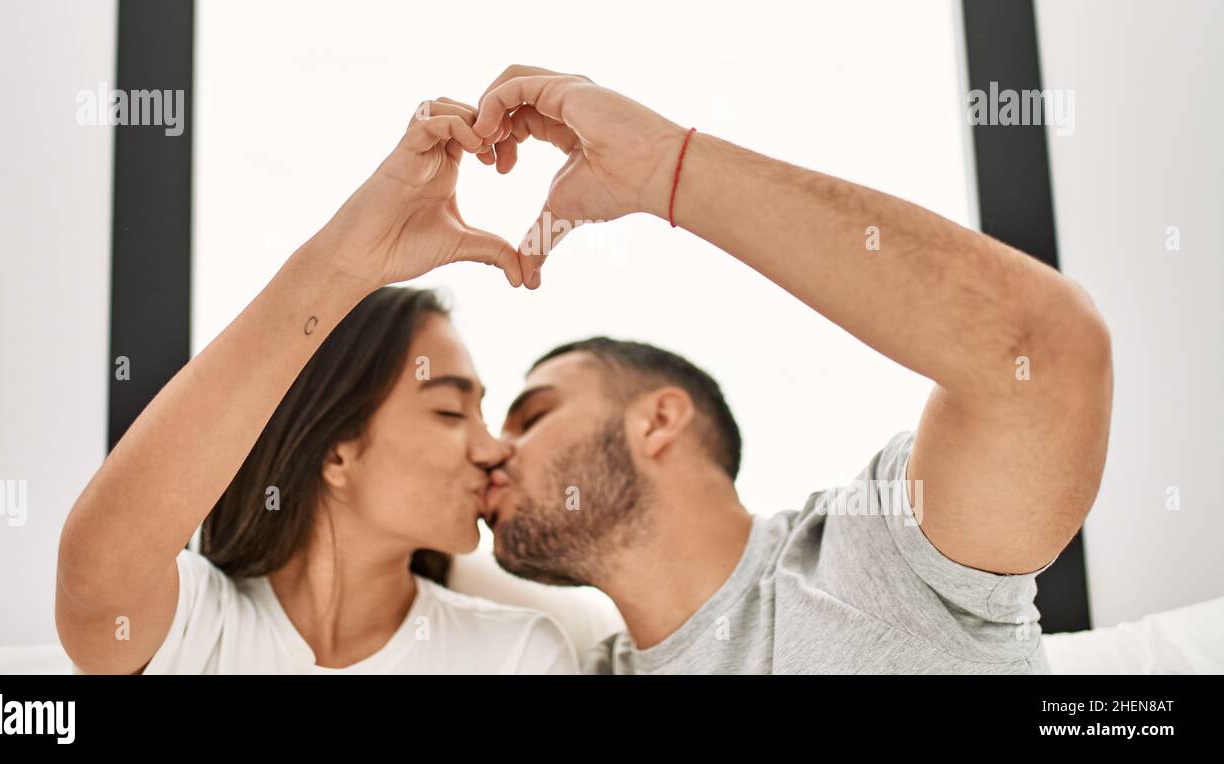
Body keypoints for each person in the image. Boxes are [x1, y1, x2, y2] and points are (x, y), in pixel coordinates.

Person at [470, 64, 1113, 674]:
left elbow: (1043, 352)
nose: (495, 451)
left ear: (659, 421)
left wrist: (664, 166)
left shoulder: (880, 556)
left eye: (533, 415)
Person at [56, 97, 576, 674]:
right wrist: (344, 261)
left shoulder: (517, 655)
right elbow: (96, 574)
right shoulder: (195, 628)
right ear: (335, 448)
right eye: (452, 412)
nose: (494, 449)